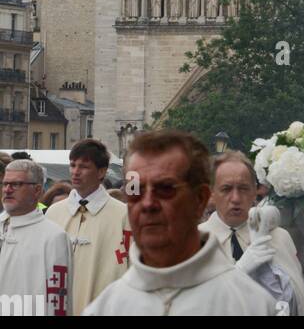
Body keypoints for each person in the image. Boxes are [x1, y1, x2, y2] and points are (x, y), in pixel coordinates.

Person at [83, 130, 276, 316]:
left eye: (165, 189)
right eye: (135, 191)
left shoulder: (250, 305)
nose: (148, 203)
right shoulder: (105, 309)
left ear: (200, 200)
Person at [201, 150, 304, 315]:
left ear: (254, 192)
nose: (236, 198)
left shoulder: (279, 237)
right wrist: (239, 272)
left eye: (243, 188)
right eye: (226, 189)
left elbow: (300, 305)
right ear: (212, 193)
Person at [44, 138, 130, 313]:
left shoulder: (124, 215)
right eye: (73, 165)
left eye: (83, 167)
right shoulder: (53, 212)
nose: (75, 172)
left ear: (101, 172)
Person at [0, 158, 74, 315]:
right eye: (5, 184)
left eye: (16, 184)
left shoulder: (53, 238)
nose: (7, 189)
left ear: (37, 190)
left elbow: (58, 302)